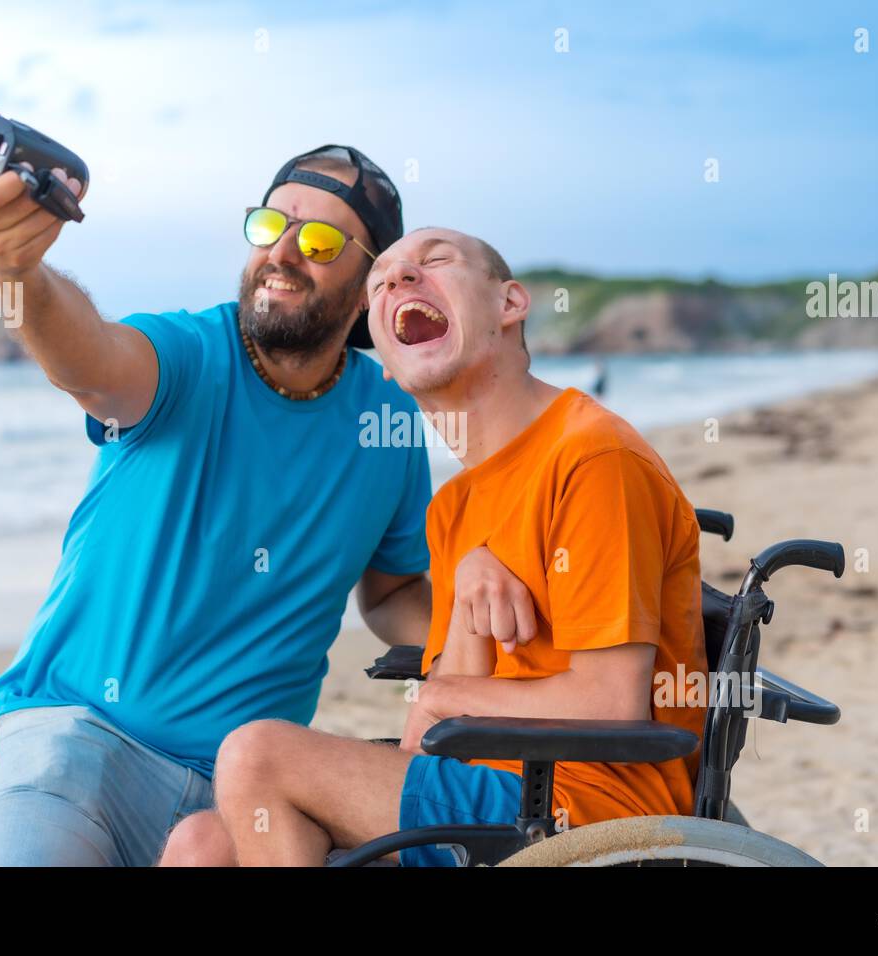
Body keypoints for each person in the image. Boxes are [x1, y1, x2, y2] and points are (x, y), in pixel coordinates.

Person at [0, 139, 520, 866]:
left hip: (249, 792)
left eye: (319, 240)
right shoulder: (187, 355)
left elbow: (393, 590)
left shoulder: (387, 418)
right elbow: (88, 361)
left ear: (368, 286)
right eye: (268, 225)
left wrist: (483, 633)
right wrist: (17, 268)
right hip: (79, 746)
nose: (283, 252)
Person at [159, 228, 709, 867]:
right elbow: (439, 726)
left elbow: (612, 704)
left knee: (256, 755)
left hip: (582, 814)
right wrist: (473, 586)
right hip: (481, 791)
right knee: (200, 843)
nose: (397, 279)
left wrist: (443, 699)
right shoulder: (455, 507)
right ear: (387, 366)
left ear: (509, 304)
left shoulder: (592, 458)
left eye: (435, 261)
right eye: (381, 280)